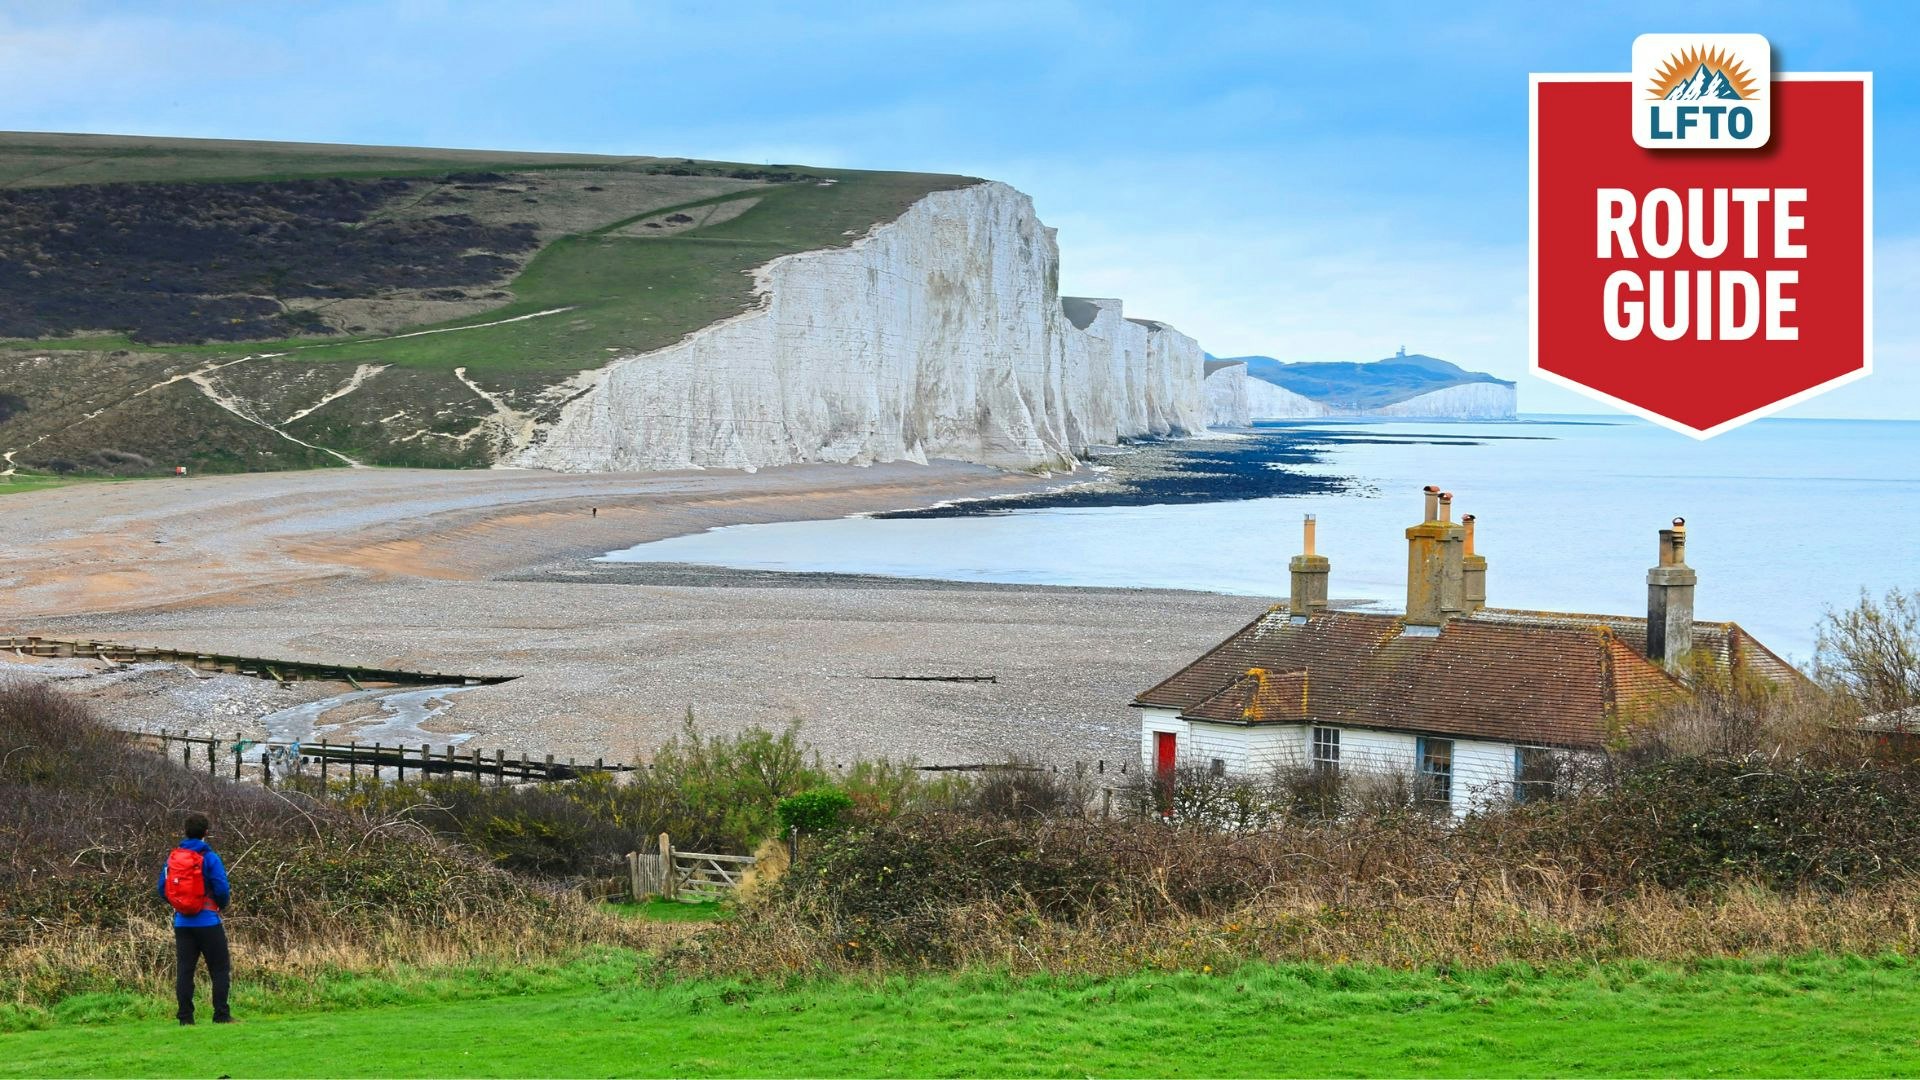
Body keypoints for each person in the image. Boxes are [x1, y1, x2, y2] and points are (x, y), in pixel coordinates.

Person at [157, 813, 233, 1025]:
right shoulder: (210, 857)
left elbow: (162, 889)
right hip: (208, 921)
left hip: (182, 923)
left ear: (185, 831)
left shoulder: (172, 858)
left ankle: (185, 1018)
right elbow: (221, 888)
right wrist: (220, 905)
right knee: (218, 969)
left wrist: (180, 905)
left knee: (185, 970)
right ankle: (221, 1015)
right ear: (206, 833)